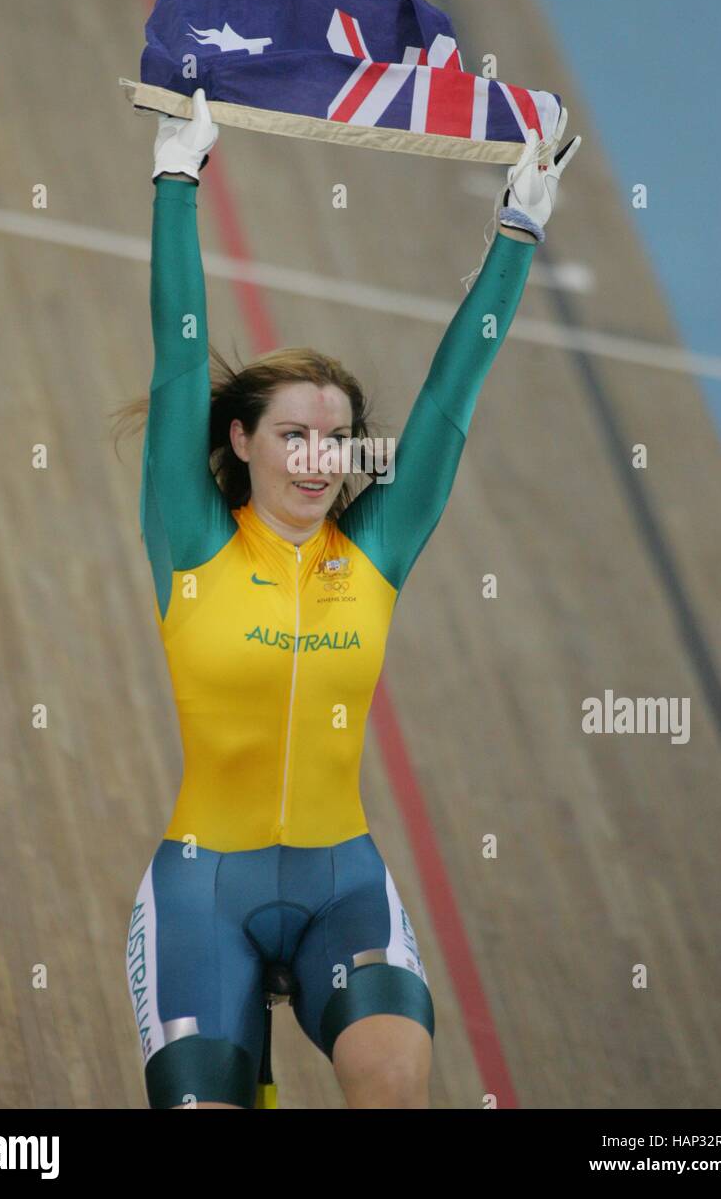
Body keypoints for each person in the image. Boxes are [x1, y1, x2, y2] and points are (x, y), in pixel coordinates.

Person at [124, 89, 580, 1109]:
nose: (317, 458)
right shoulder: (191, 537)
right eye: (293, 434)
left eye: (333, 440)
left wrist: (518, 226)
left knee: (391, 1084)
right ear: (240, 442)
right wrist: (174, 178)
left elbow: (449, 400)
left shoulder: (370, 549)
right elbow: (179, 356)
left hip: (341, 887)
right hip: (205, 893)